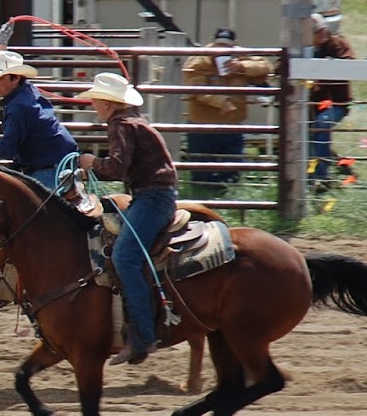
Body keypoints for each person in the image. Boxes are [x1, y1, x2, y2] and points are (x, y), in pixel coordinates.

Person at [76, 72, 178, 367]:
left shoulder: (120, 125)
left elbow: (117, 168)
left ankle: (143, 337)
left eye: (96, 99)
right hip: (154, 194)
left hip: (152, 197)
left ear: (109, 103)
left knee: (125, 257)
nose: (93, 103)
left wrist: (91, 163)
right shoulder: (133, 122)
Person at [0, 49, 77, 192]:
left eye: (0, 78)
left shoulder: (17, 105)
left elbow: (7, 149)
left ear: (15, 78)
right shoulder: (26, 91)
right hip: (56, 162)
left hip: (47, 168)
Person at [181, 27, 272, 197]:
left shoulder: (241, 57)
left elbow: (266, 67)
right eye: (219, 45)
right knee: (202, 171)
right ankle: (203, 200)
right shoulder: (199, 60)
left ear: (235, 46)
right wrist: (222, 102)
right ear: (212, 42)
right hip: (202, 125)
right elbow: (196, 88)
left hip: (232, 124)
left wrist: (242, 67)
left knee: (232, 169)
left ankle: (229, 201)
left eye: (227, 47)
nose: (222, 50)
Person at [308, 14, 354, 190]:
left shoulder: (337, 44)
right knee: (307, 134)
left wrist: (321, 80)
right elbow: (281, 66)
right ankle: (339, 166)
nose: (322, 33)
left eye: (323, 29)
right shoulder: (300, 47)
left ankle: (321, 176)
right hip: (306, 105)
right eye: (317, 31)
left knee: (322, 123)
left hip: (337, 103)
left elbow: (349, 65)